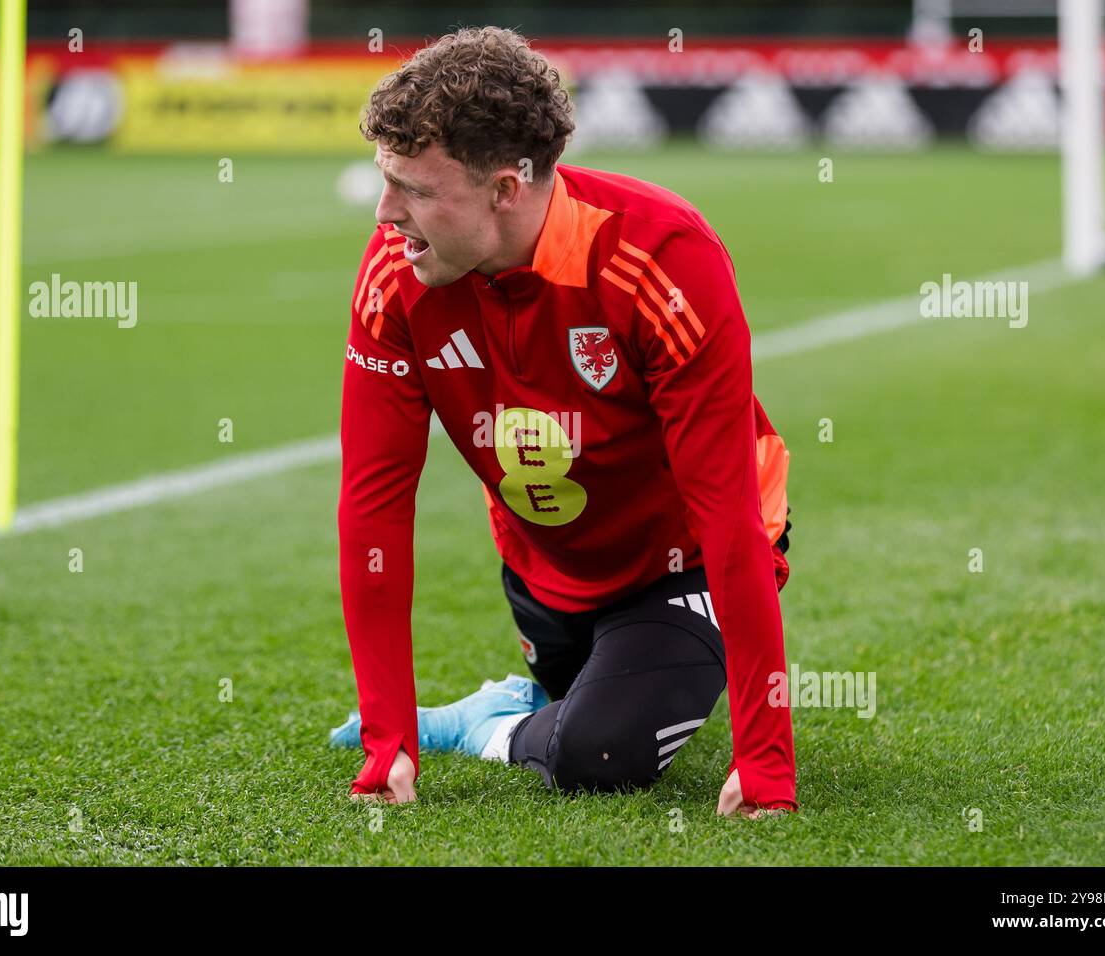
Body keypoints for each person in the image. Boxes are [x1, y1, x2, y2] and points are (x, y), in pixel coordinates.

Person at [333, 25, 795, 818]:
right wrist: (388, 740)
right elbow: (374, 502)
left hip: (681, 561)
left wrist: (765, 764)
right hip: (546, 570)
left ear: (505, 190)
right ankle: (540, 691)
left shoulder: (660, 258)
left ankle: (491, 724)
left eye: (413, 189)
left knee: (601, 754)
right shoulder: (396, 275)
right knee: (589, 708)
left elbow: (724, 510)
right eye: (385, 180)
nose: (384, 214)